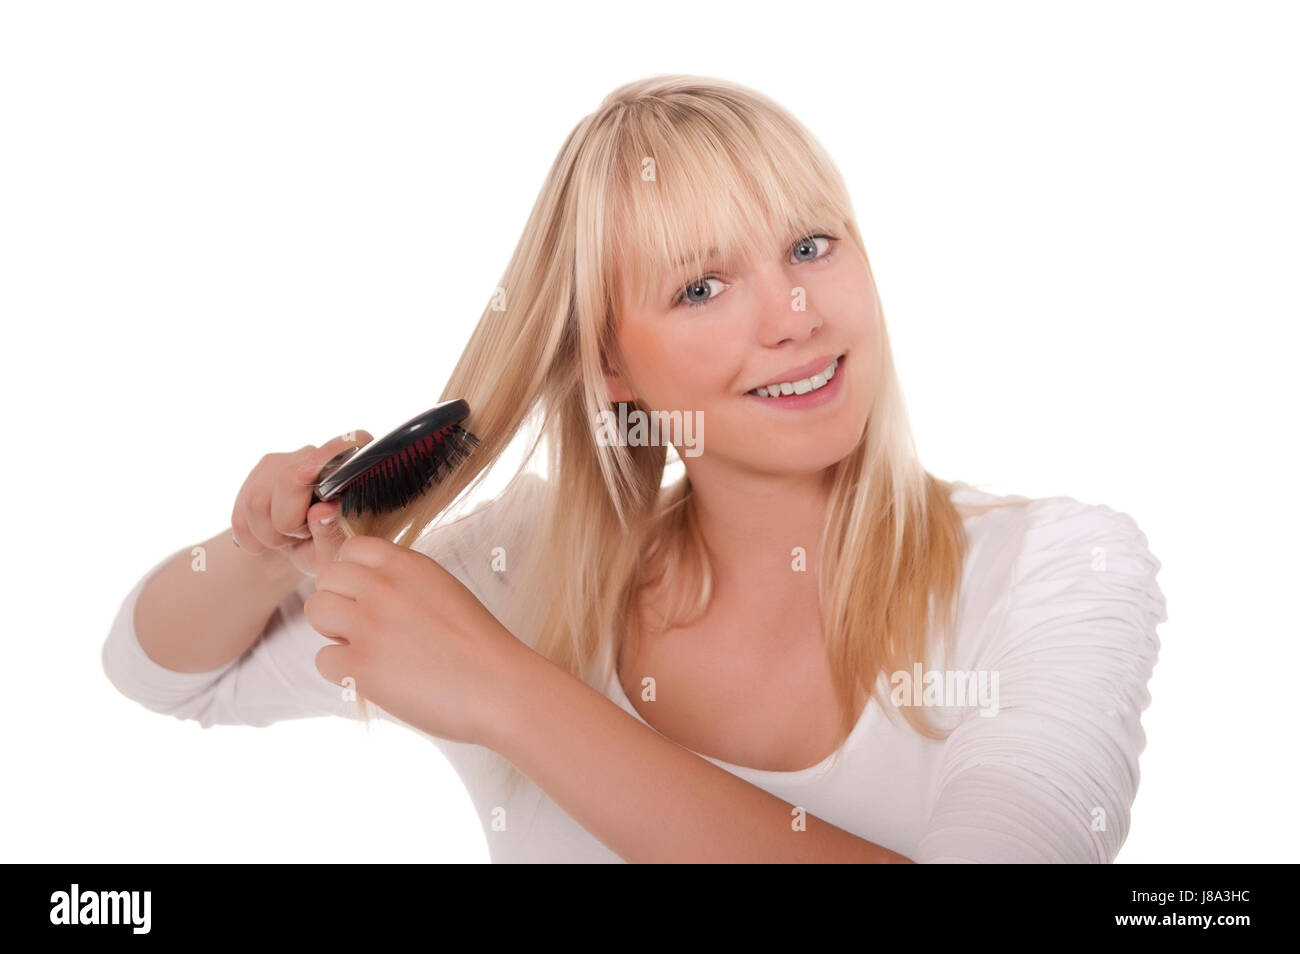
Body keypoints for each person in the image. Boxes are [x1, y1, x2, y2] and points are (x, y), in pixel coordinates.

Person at [101, 74, 1168, 863]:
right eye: (701, 287)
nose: (795, 315)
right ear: (607, 364)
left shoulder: (1056, 571)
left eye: (809, 246)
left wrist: (512, 698)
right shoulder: (522, 573)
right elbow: (166, 675)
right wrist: (253, 552)